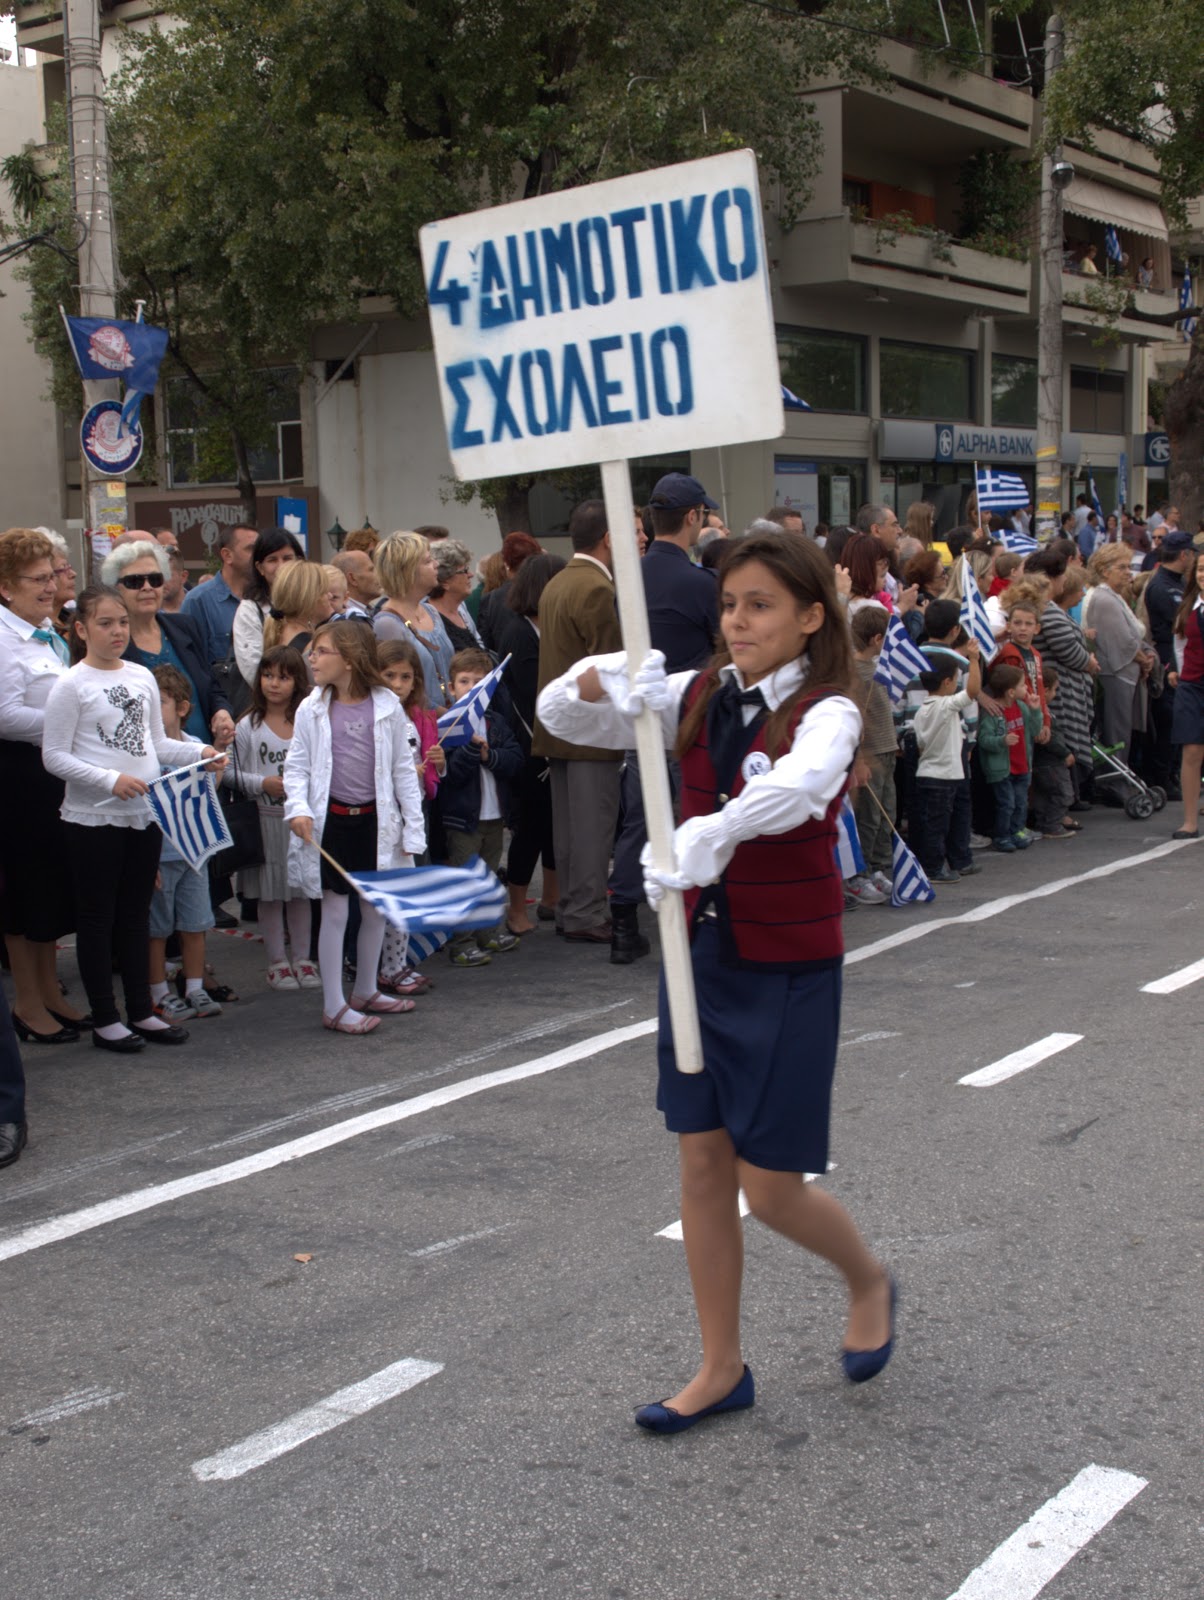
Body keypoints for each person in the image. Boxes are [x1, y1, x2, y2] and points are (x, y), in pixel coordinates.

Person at [536, 531, 895, 1430]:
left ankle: (868, 1278)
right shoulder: (692, 692)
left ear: (812, 617)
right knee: (701, 1162)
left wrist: (700, 841)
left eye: (762, 605)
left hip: (786, 963)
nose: (739, 621)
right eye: (731, 603)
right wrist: (602, 676)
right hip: (700, 956)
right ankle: (721, 1366)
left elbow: (801, 789)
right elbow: (566, 721)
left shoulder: (830, 708)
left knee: (770, 1185)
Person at [41, 585, 223, 1052]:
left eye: (121, 622)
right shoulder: (71, 683)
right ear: (81, 629)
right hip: (92, 820)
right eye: (105, 623)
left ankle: (142, 1009)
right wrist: (109, 780)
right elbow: (55, 756)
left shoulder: (142, 676)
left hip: (143, 815)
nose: (117, 630)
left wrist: (200, 751)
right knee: (98, 918)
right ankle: (106, 1017)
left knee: (136, 916)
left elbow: (156, 745)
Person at [284, 621, 425, 1034]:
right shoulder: (312, 707)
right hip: (333, 823)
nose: (312, 658)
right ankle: (334, 1004)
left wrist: (412, 828)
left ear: (348, 659)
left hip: (376, 822)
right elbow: (296, 767)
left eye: (321, 651)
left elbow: (402, 770)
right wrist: (298, 807)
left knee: (374, 908)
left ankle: (365, 989)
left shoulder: (385, 706)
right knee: (334, 910)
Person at [609, 471, 721, 963]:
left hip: (642, 715)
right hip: (690, 715)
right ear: (693, 517)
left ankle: (623, 919)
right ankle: (696, 916)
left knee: (640, 818)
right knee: (695, 811)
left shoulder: (628, 577)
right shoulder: (699, 583)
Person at [0, 528, 81, 1042]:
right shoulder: (4, 638)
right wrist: (66, 720)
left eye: (52, 575)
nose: (50, 586)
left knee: (50, 887)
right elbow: (5, 716)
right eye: (37, 579)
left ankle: (51, 992)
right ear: (6, 587)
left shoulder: (46, 631)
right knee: (23, 893)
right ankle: (28, 1004)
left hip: (49, 772)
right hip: (16, 779)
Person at [532, 500, 624, 943]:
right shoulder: (596, 588)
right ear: (609, 538)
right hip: (590, 729)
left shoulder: (560, 582)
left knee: (569, 828)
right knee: (592, 827)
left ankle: (574, 906)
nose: (638, 539)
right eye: (633, 530)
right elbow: (610, 667)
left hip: (560, 724)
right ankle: (586, 911)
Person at [227, 645, 319, 992]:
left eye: (283, 677)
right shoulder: (249, 725)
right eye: (267, 676)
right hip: (263, 820)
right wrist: (262, 783)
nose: (274, 684)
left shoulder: (306, 721)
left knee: (299, 892)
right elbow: (229, 772)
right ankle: (277, 962)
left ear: (298, 681)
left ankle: (303, 958)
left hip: (299, 821)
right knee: (269, 894)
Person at [104, 539, 235, 752]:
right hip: (145, 768)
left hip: (202, 762)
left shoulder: (184, 627)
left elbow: (210, 686)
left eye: (155, 579)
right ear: (116, 588)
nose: (147, 587)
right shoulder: (111, 645)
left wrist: (221, 712)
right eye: (134, 581)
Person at [492, 553, 564, 935]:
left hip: (546, 741)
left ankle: (552, 898)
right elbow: (536, 691)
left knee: (552, 825)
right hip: (530, 745)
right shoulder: (520, 633)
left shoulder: (540, 628)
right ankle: (517, 907)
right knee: (531, 828)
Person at [147, 666, 224, 1021]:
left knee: (194, 924)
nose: (151, 708)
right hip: (159, 856)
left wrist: (219, 758)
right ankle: (158, 991)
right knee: (156, 930)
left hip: (193, 852)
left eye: (159, 701)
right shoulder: (143, 752)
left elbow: (210, 794)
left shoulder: (195, 747)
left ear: (181, 707)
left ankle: (194, 987)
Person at [439, 649, 524, 967]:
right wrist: (472, 750)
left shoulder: (495, 721)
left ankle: (487, 932)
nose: (472, 687)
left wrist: (490, 756)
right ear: (451, 687)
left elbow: (515, 760)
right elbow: (451, 775)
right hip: (463, 819)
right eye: (464, 681)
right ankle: (460, 942)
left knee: (488, 878)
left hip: (493, 817)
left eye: (480, 682)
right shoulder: (448, 726)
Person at [374, 637, 441, 997]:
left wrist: (433, 768)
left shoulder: (415, 720)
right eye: (389, 675)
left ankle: (395, 965)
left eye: (405, 677)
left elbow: (424, 772)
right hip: (381, 818)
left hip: (407, 818)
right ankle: (372, 967)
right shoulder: (374, 717)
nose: (398, 685)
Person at [910, 640, 983, 881]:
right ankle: (933, 868)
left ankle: (931, 864)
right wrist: (973, 660)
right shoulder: (944, 705)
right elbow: (972, 692)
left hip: (927, 773)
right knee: (938, 826)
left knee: (930, 822)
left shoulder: (922, 710)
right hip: (943, 776)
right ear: (947, 682)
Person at [847, 606, 899, 902]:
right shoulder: (857, 674)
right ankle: (861, 873)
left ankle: (879, 867)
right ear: (877, 639)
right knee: (868, 817)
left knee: (885, 814)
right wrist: (861, 758)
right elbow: (856, 721)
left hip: (888, 749)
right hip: (872, 754)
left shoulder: (881, 669)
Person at [1088, 544, 1156, 760]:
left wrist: (1147, 654)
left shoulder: (1115, 596)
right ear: (1105, 570)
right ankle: (1114, 782)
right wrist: (1144, 660)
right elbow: (1122, 642)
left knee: (1124, 731)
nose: (1129, 572)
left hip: (1127, 673)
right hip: (1115, 674)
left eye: (1129, 566)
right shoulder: (1104, 599)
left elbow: (1134, 634)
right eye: (1122, 567)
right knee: (1117, 733)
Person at [373, 531, 455, 709]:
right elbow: (396, 689)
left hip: (451, 720)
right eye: (427, 561)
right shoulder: (387, 624)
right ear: (407, 572)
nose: (436, 564)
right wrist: (448, 716)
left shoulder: (431, 611)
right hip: (422, 726)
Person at [977, 662, 1043, 851]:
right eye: (1022, 685)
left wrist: (1036, 710)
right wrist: (1002, 741)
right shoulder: (994, 713)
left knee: (1021, 802)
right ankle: (1002, 836)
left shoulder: (1021, 707)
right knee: (1007, 804)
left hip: (1022, 765)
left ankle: (1017, 831)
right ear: (1011, 692)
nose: (1026, 688)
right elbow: (984, 739)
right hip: (1002, 769)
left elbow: (1034, 731)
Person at [232, 528, 305, 687]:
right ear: (260, 568)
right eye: (272, 560)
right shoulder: (250, 610)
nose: (282, 566)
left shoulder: (312, 602)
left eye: (287, 558)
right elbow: (253, 670)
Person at [181, 523, 258, 670]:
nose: (258, 555)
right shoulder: (198, 601)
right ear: (227, 555)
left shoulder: (266, 598)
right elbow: (192, 664)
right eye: (250, 549)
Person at [1170, 549, 1204, 838]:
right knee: (1191, 751)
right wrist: (1180, 674)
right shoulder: (1188, 607)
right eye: (1201, 570)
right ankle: (1190, 820)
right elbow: (1180, 646)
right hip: (1192, 685)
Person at [1029, 664, 1078, 839]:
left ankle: (1044, 822)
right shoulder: (1040, 713)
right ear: (1046, 689)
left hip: (1041, 763)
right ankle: (1052, 824)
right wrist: (1065, 753)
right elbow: (1049, 739)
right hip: (1051, 762)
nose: (1055, 695)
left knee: (1044, 795)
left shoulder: (1043, 711)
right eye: (1055, 690)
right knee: (1063, 793)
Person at [478, 532, 541, 654]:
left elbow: (487, 645)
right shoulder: (547, 590)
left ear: (506, 563)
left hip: (508, 665)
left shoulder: (492, 599)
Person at [262, 560, 335, 661]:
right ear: (309, 599)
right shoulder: (311, 648)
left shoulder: (277, 631)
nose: (330, 596)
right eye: (325, 592)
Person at [428, 539, 483, 652]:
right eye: (464, 571)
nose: (471, 575)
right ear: (445, 582)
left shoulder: (460, 608)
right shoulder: (431, 620)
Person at [331, 547, 383, 620]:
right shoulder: (347, 620)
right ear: (352, 578)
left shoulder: (371, 611)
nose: (378, 574)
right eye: (371, 570)